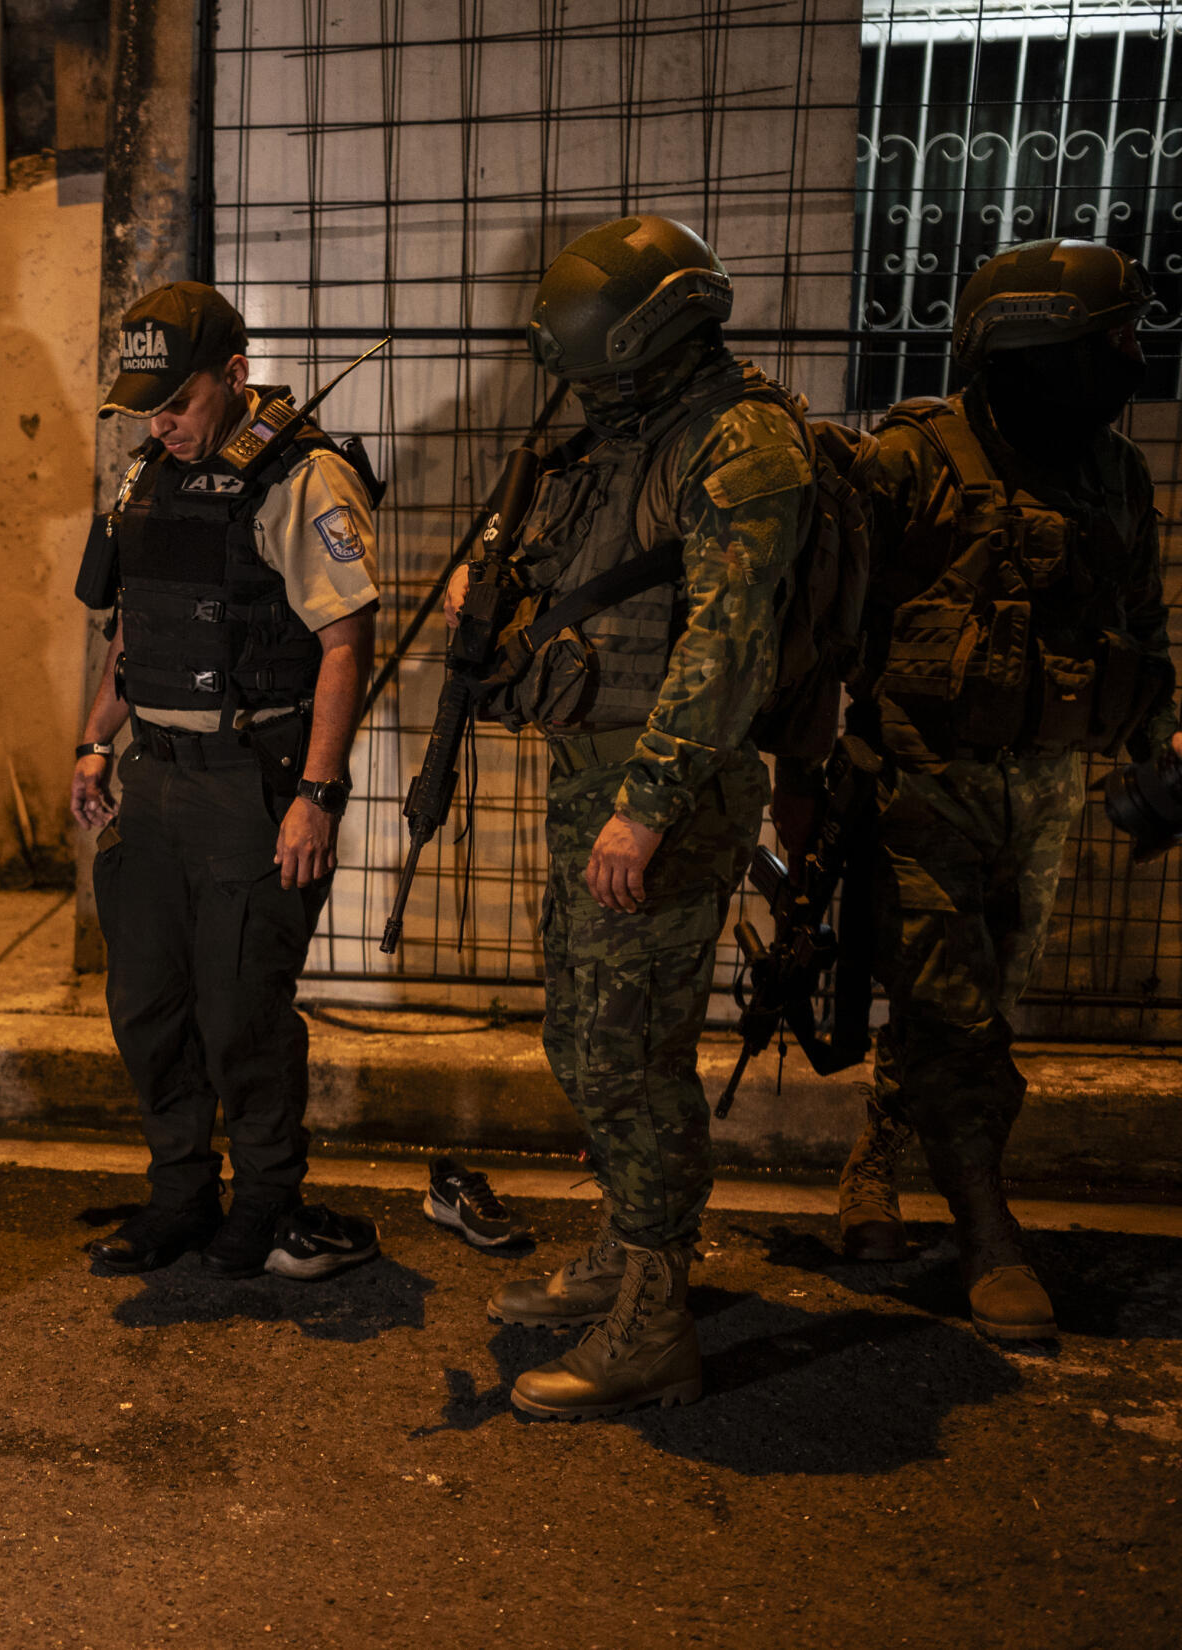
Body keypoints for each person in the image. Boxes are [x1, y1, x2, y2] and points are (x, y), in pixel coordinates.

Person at [461, 216, 814, 1417]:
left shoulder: (738, 439)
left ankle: (655, 1323)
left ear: (655, 335)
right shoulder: (628, 436)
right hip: (593, 782)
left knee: (631, 1056)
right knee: (578, 1037)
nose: (584, 388)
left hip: (662, 798)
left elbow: (726, 644)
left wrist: (647, 808)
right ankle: (625, 1251)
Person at [829, 239, 1178, 1339]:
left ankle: (877, 1153)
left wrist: (1163, 741)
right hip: (922, 779)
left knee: (983, 1000)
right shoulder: (912, 460)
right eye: (1113, 338)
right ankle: (988, 1236)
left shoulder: (1113, 473)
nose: (1133, 357)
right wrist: (800, 776)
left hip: (1045, 785)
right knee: (953, 1008)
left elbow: (1141, 624)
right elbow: (824, 626)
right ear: (1038, 348)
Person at [67, 280, 383, 1283]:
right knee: (147, 1009)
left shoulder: (303, 478)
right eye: (146, 407)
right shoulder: (148, 477)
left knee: (240, 1010)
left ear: (235, 375)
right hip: (155, 780)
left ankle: (266, 1201)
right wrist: (92, 742)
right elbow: (135, 626)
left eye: (177, 402)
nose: (160, 424)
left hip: (253, 785)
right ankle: (178, 1197)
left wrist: (316, 797)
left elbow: (345, 642)